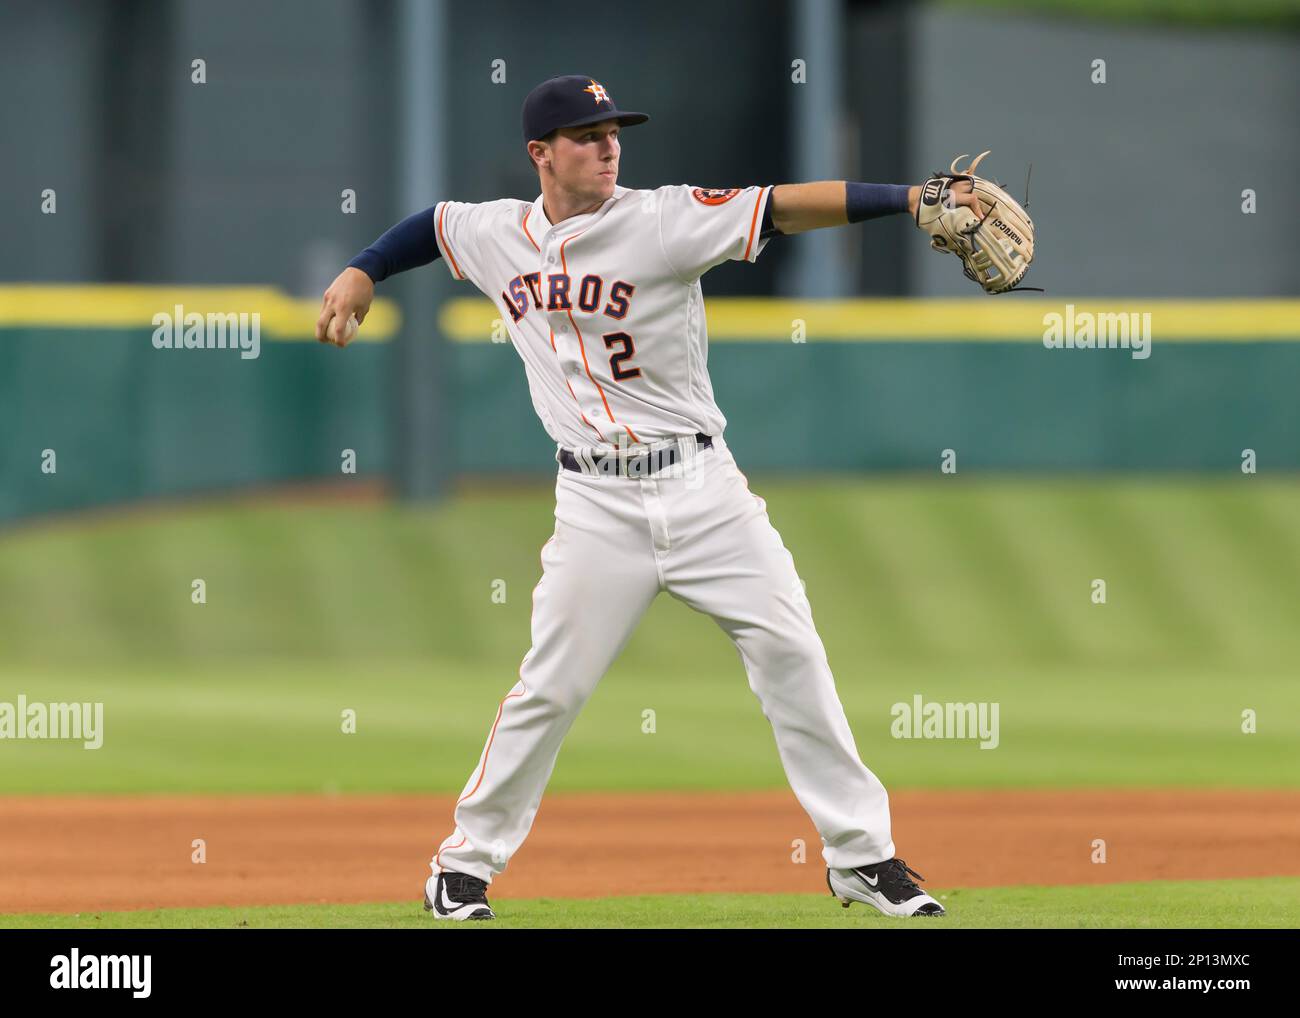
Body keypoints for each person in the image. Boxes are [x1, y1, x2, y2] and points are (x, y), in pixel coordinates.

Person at [316, 74, 980, 921]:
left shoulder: (662, 218)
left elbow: (780, 206)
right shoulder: (497, 234)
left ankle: (863, 857)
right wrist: (363, 268)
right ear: (541, 154)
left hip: (704, 489)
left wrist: (908, 199)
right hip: (595, 507)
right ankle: (461, 867)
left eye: (613, 130)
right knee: (550, 688)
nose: (607, 144)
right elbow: (431, 227)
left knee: (793, 656)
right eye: (587, 133)